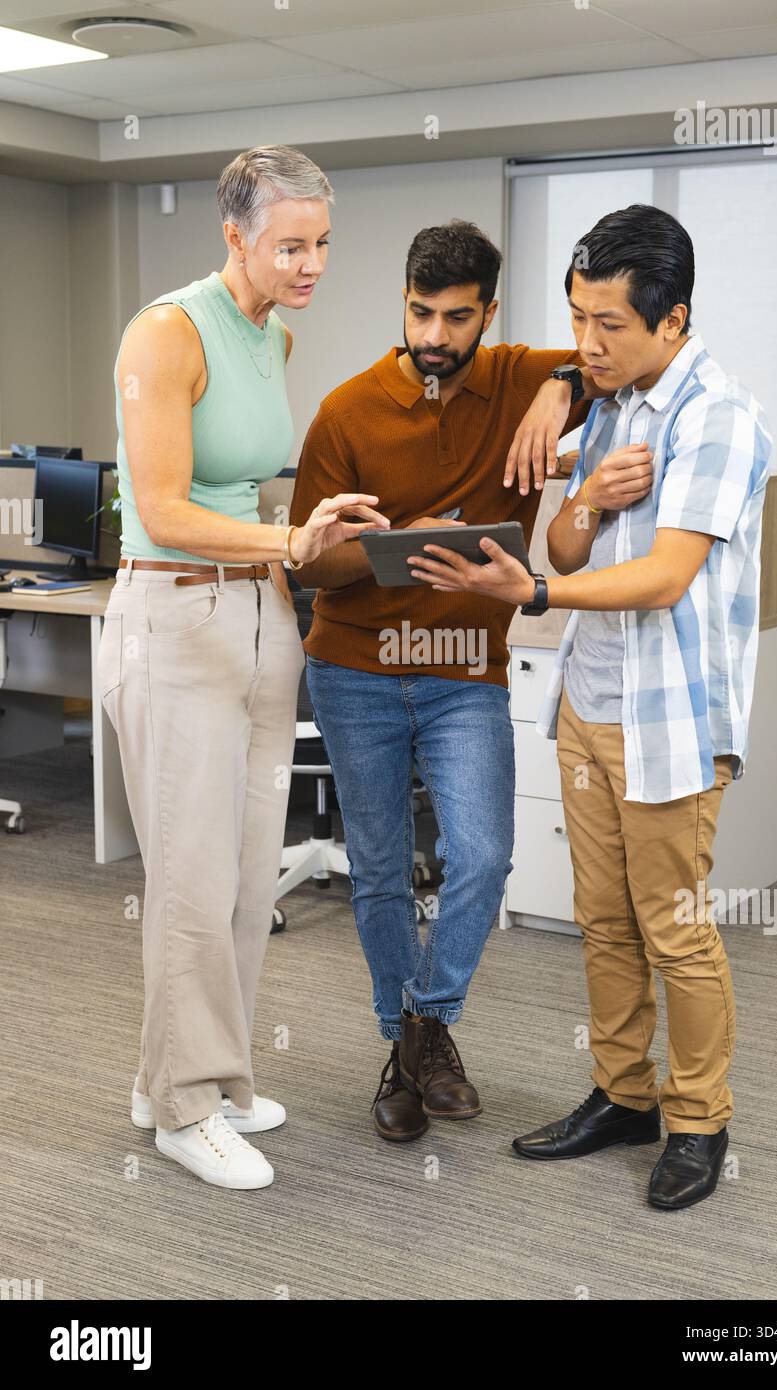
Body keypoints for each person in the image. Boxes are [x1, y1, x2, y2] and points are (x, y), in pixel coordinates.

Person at [408, 204, 771, 1209]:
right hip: (589, 702)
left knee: (675, 927)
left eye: (609, 325)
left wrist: (528, 593)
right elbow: (566, 546)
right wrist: (588, 498)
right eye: (577, 319)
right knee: (602, 920)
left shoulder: (718, 418)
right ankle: (625, 1092)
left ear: (674, 316)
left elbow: (661, 579)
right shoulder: (605, 401)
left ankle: (700, 1116)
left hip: (670, 719)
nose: (586, 344)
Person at [98, 144, 388, 1190]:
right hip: (173, 621)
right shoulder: (166, 332)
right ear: (235, 235)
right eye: (289, 245)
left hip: (258, 621)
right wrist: (291, 540)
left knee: (244, 870)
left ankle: (198, 1079)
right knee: (189, 874)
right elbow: (168, 509)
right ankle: (182, 1108)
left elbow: (242, 497)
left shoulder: (276, 336)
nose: (310, 263)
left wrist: (309, 538)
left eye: (321, 244)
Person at [288, 219, 598, 1142]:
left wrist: (559, 391)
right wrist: (384, 547)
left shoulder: (515, 376)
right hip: (354, 671)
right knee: (382, 872)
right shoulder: (347, 411)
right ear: (404, 305)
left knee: (483, 856)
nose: (433, 336)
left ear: (487, 314)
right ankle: (408, 1048)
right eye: (420, 313)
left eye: (455, 318)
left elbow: (618, 356)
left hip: (466, 672)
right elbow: (306, 567)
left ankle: (420, 1028)